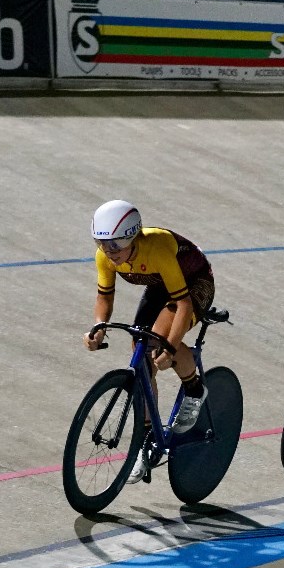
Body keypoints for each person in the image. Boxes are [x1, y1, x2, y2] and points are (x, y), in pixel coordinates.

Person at [84, 201, 217, 481]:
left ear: (133, 237)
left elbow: (183, 304)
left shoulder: (156, 248)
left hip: (193, 282)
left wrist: (171, 346)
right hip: (159, 283)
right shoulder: (105, 256)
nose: (109, 251)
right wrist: (98, 326)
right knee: (141, 350)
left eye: (116, 244)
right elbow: (104, 296)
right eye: (101, 243)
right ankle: (146, 442)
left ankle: (194, 390)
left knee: (161, 340)